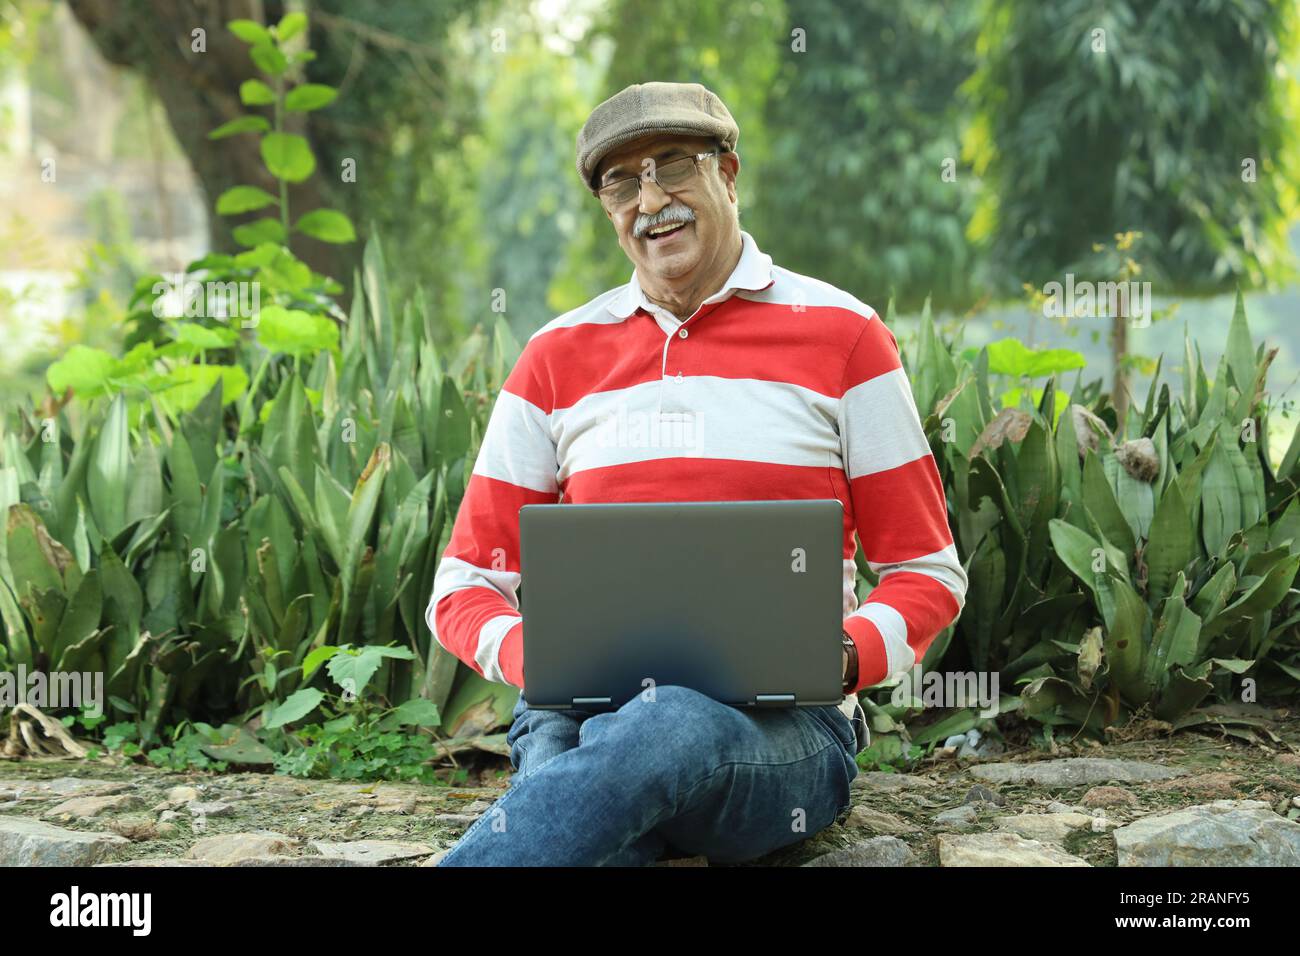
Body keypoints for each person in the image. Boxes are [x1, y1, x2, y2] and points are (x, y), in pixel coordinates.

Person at [428, 81, 967, 866]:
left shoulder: (846, 338)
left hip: (779, 735)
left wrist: (842, 656)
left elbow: (928, 573)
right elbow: (464, 583)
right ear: (608, 208)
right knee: (611, 811)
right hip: (579, 717)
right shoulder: (554, 357)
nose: (650, 199)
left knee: (661, 727)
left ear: (730, 173)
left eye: (673, 165)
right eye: (621, 182)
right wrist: (527, 656)